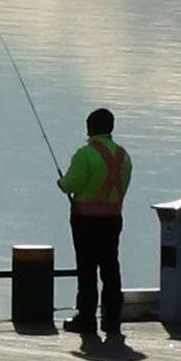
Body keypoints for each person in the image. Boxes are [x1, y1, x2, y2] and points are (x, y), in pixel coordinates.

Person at [56, 105, 135, 347]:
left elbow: (69, 184)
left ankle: (87, 319)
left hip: (86, 221)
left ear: (89, 128)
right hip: (113, 219)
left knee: (87, 270)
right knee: (111, 268)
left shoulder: (85, 154)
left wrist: (61, 182)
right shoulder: (124, 156)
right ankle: (112, 320)